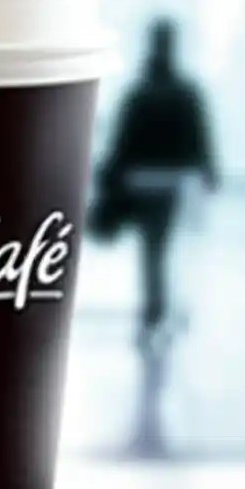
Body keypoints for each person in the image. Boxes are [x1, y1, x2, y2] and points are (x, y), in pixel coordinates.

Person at [101, 19, 219, 340]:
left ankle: (155, 309)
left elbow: (122, 142)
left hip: (140, 181)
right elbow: (200, 135)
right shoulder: (185, 93)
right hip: (172, 181)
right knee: (163, 246)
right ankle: (161, 309)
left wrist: (111, 178)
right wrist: (209, 171)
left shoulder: (140, 92)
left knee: (152, 248)